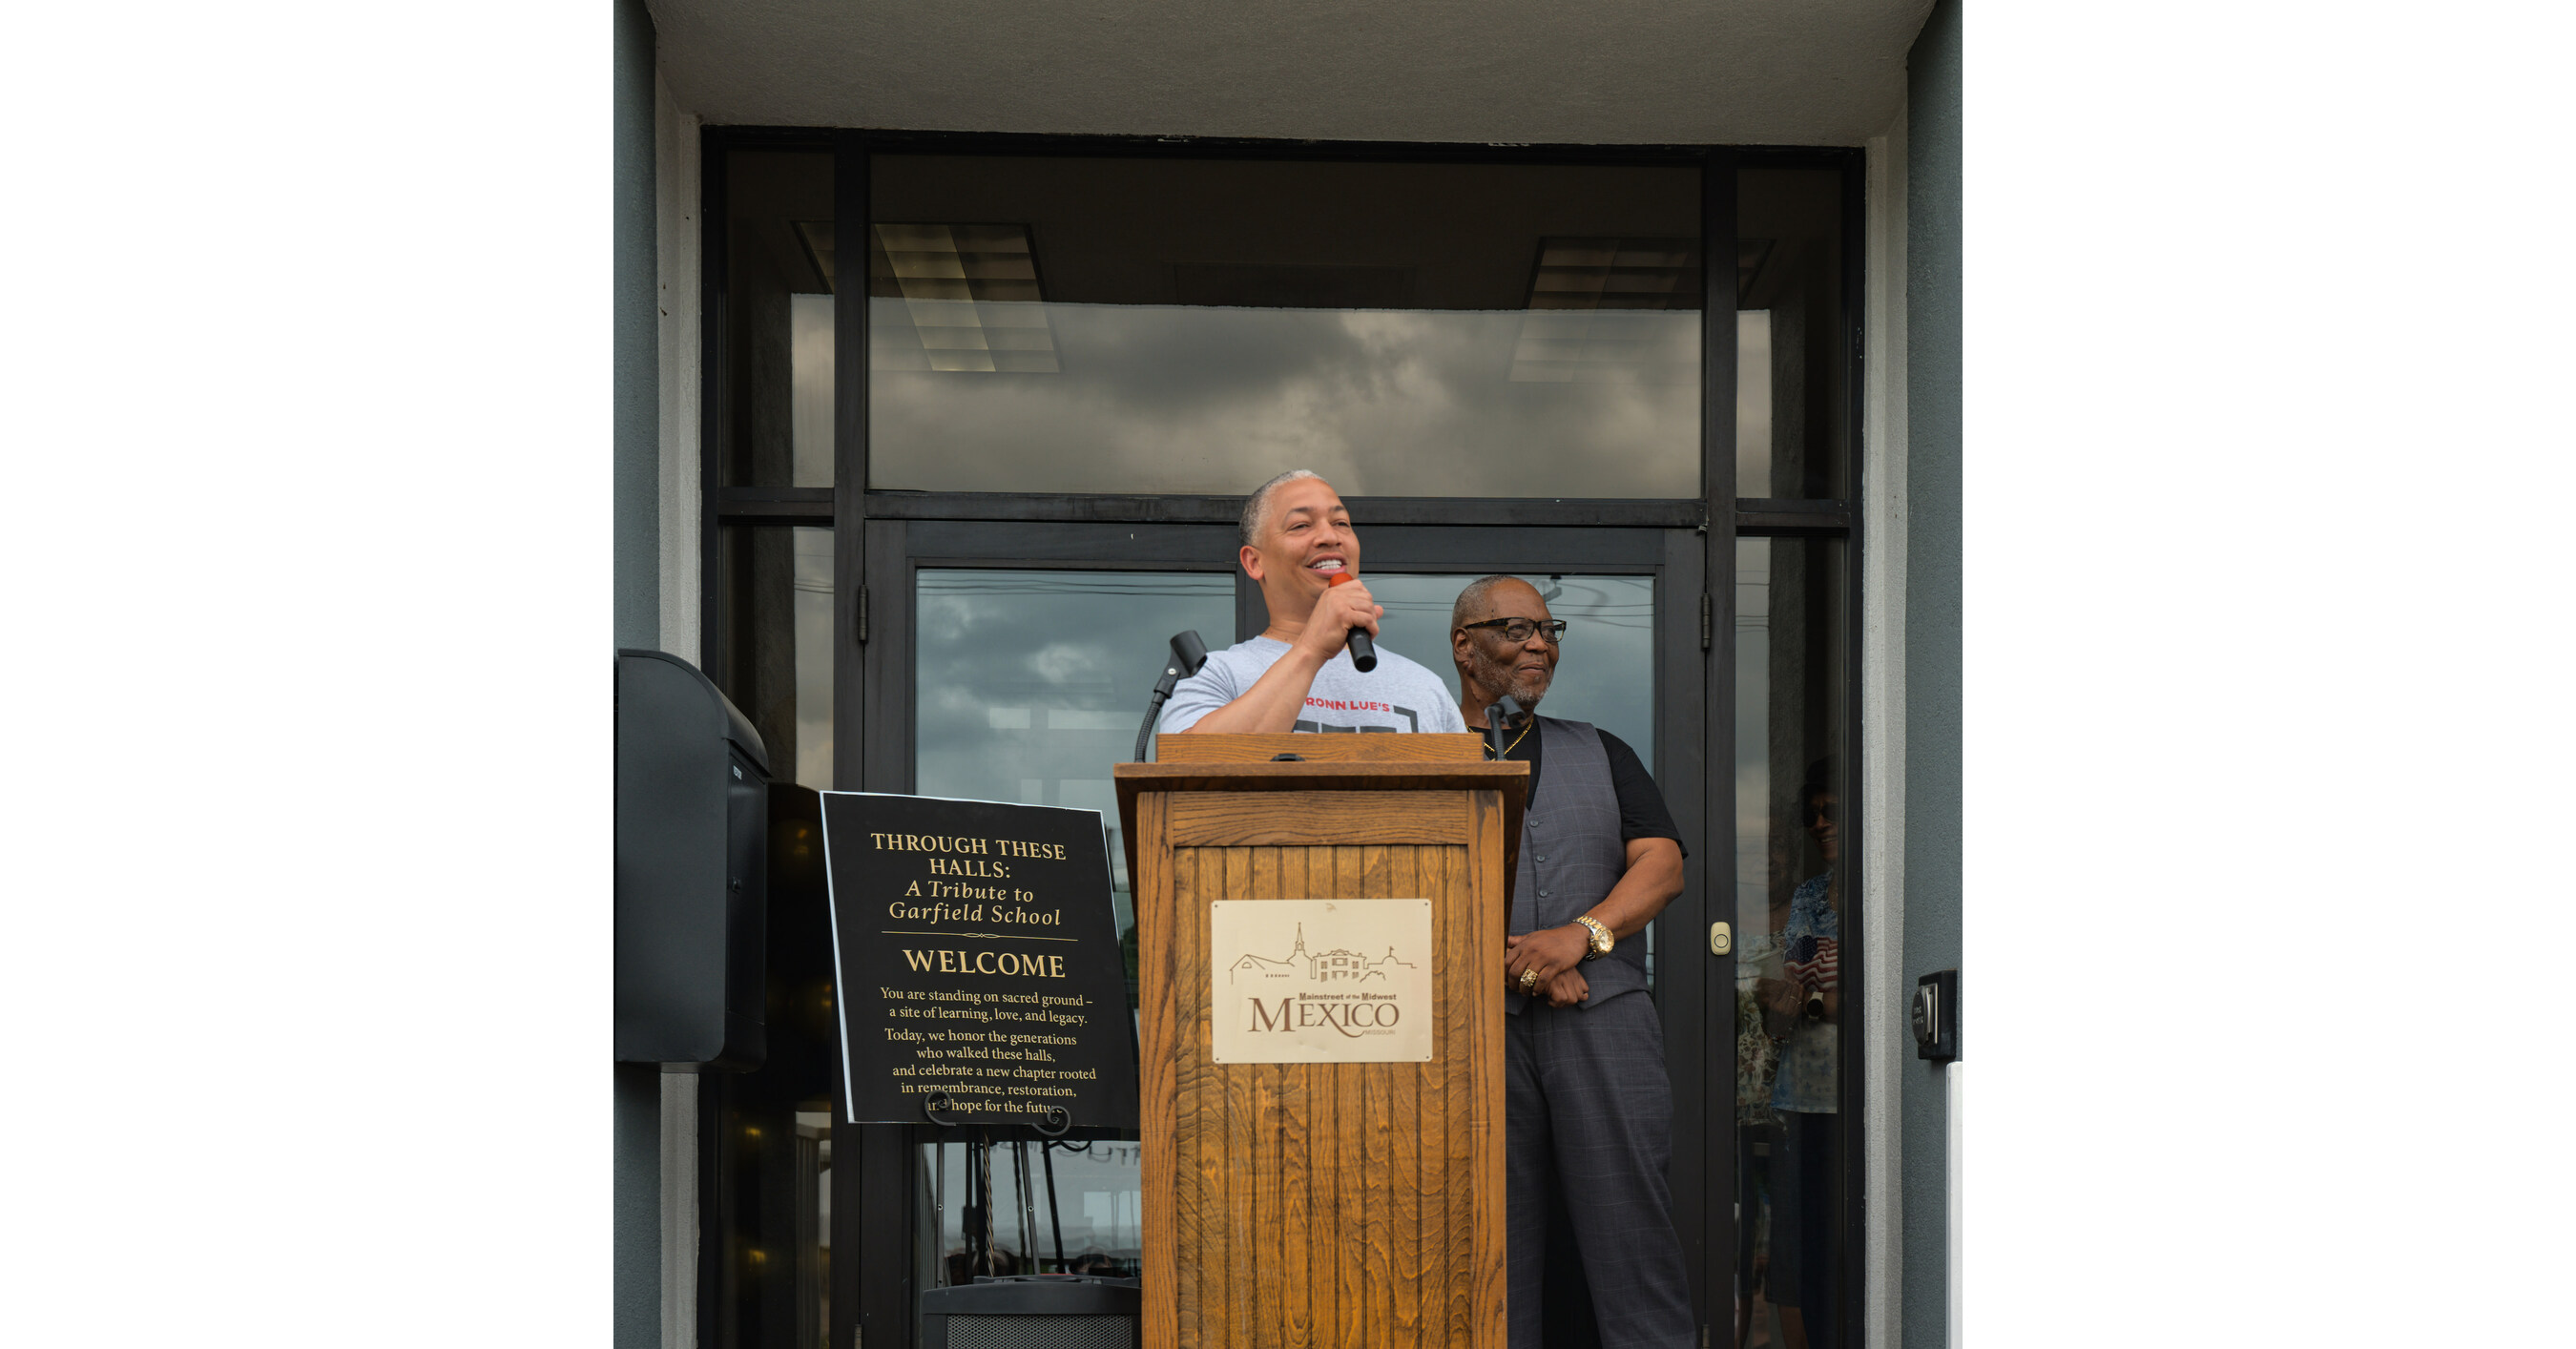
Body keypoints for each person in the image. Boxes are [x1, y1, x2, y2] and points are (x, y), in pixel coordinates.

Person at [1450, 574, 1694, 1349]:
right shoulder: (1422, 747)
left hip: (1601, 1019)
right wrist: (1510, 958)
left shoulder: (1601, 750)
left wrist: (1575, 938)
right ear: (1465, 644)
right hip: (1470, 1031)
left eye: (1550, 630)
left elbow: (1662, 865)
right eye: (1517, 629)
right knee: (1487, 1247)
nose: (1540, 645)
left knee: (1632, 1234)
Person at [1159, 469, 1467, 736]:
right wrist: (1311, 649)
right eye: (1301, 526)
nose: (1329, 537)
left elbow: (1470, 797)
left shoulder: (1424, 685)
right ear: (1254, 562)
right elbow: (1188, 770)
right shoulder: (1216, 674)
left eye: (1342, 523)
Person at [1759, 759, 1840, 1349]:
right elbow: (1779, 1013)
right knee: (1803, 1244)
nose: (1818, 823)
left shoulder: (1876, 887)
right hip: (1802, 1094)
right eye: (1811, 814)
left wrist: (1825, 998)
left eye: (1830, 811)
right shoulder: (1809, 895)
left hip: (1853, 1091)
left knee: (1850, 1243)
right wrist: (1788, 993)